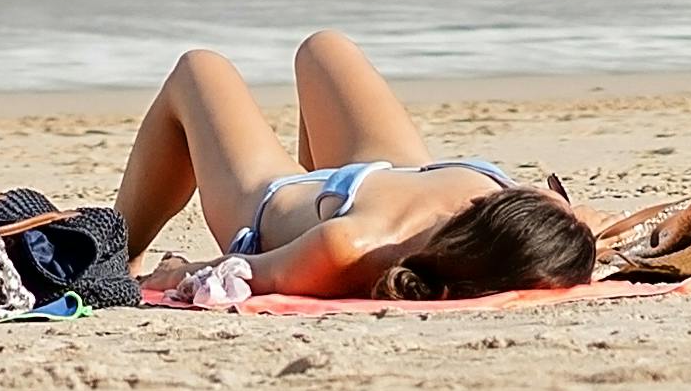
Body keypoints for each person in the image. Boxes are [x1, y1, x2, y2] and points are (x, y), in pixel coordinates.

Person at [107, 28, 604, 300]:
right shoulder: (539, 226)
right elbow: (589, 226)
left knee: (200, 68)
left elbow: (238, 273)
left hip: (271, 199)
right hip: (395, 171)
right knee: (325, 47)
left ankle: (117, 246)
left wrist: (171, 273)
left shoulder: (348, 247)